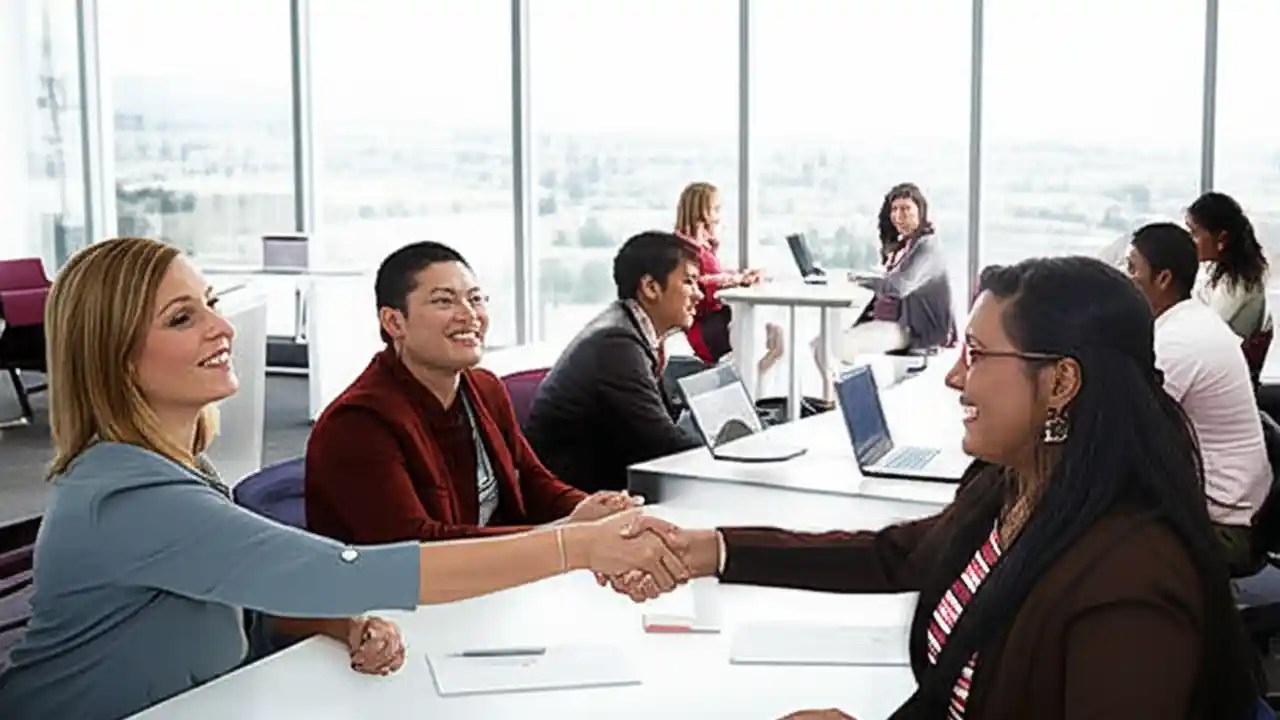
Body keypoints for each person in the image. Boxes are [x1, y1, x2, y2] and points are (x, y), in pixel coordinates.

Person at [0, 237, 690, 720]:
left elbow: (236, 596)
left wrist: (335, 621)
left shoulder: (177, 469)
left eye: (210, 302)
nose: (221, 327)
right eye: (183, 318)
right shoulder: (130, 497)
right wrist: (573, 546)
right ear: (115, 358)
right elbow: (351, 567)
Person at [606, 256, 1263, 718]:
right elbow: (896, 556)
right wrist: (711, 550)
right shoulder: (1015, 487)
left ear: (1062, 382)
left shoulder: (1131, 580)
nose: (955, 377)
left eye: (977, 354)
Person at [305, 242, 635, 544]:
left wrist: (598, 511)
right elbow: (415, 546)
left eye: (475, 299)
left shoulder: (485, 388)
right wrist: (564, 535)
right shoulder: (357, 423)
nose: (469, 315)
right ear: (394, 323)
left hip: (499, 576)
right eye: (444, 301)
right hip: (402, 587)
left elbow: (534, 484)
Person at [1125, 222, 1271, 575]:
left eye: (1132, 268)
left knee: (1092, 543)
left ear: (1163, 278)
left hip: (1223, 528)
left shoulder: (1178, 342)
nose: (1125, 278)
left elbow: (1126, 428)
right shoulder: (1190, 320)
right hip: (1235, 506)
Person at [526, 231, 702, 493]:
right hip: (573, 499)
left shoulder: (628, 331)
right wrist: (730, 454)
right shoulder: (617, 344)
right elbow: (664, 444)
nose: (698, 295)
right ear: (650, 287)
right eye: (689, 282)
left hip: (606, 485)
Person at [815, 183, 954, 402]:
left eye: (906, 209)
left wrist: (859, 280)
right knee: (820, 344)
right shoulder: (906, 245)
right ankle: (831, 401)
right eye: (895, 209)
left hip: (913, 329)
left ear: (920, 211)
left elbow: (899, 287)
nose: (899, 216)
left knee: (837, 345)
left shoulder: (928, 246)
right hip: (896, 322)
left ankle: (851, 402)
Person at [674, 181, 783, 380]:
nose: (718, 216)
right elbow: (700, 283)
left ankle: (758, 384)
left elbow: (713, 274)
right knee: (761, 329)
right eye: (715, 210)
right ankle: (753, 385)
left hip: (714, 321)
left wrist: (740, 276)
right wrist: (735, 280)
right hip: (706, 329)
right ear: (702, 212)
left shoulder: (700, 247)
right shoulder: (685, 249)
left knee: (773, 334)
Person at [1186, 191, 1271, 340]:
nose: (1189, 240)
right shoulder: (1219, 272)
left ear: (1222, 239)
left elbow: (1205, 333)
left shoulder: (1237, 285)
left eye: (1194, 233)